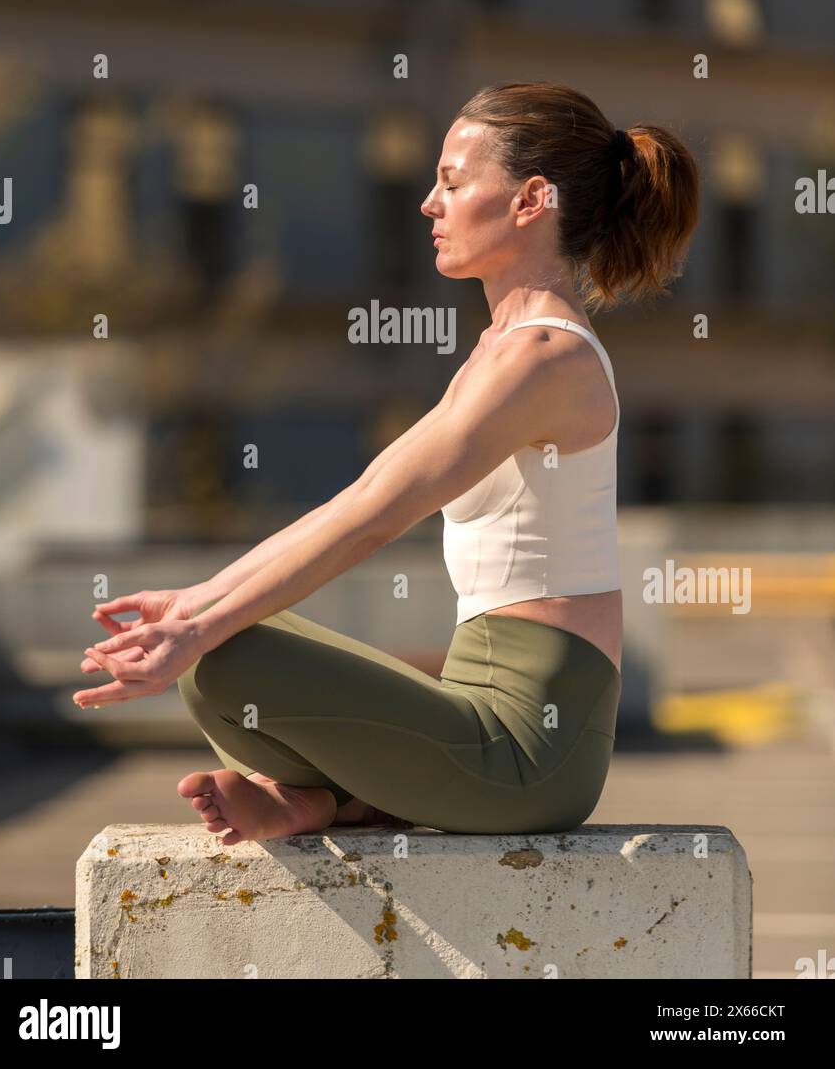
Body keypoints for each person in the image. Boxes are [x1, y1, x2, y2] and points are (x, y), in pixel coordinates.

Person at [73, 81, 700, 840]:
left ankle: (327, 798)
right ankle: (328, 802)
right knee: (217, 637)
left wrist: (197, 631)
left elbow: (373, 513)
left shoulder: (543, 358)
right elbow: (361, 496)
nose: (430, 205)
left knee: (218, 664)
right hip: (481, 718)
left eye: (453, 183)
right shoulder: (505, 350)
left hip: (531, 753)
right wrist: (199, 602)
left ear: (532, 199)